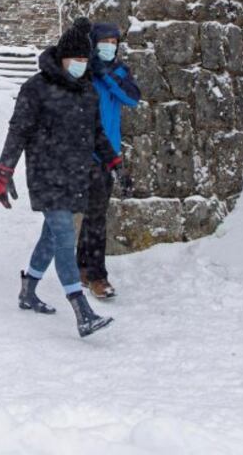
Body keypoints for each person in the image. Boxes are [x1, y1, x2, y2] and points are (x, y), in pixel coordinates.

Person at [0, 17, 123, 338]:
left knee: (51, 236)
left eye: (84, 60)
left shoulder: (87, 91)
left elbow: (96, 133)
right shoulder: (36, 89)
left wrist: (114, 161)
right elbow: (18, 131)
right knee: (65, 237)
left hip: (75, 175)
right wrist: (4, 171)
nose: (80, 65)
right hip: (45, 174)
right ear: (62, 58)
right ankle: (82, 311)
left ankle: (28, 291)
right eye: (75, 60)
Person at [78, 22, 141, 300]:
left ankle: (95, 274)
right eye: (103, 41)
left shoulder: (118, 72)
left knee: (96, 217)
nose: (109, 46)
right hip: (80, 151)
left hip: (106, 155)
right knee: (81, 214)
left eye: (114, 42)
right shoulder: (82, 72)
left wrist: (107, 75)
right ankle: (86, 270)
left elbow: (132, 98)